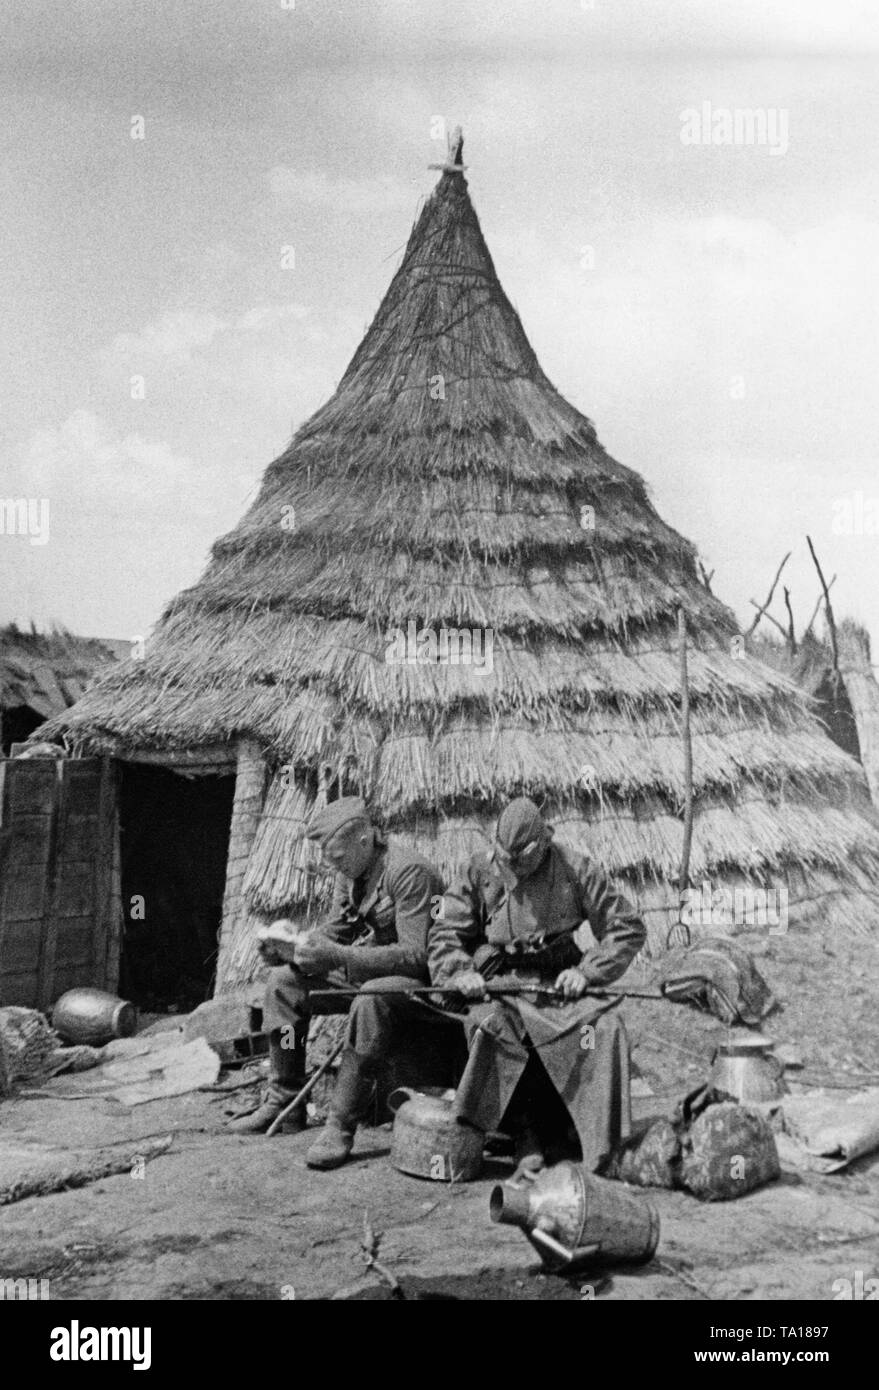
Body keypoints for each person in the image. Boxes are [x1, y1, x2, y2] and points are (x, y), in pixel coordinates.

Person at [429, 796, 646, 1174]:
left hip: (558, 982)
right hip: (501, 982)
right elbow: (444, 931)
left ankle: (595, 1143)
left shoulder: (576, 869)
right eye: (504, 858)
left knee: (601, 1029)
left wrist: (589, 972)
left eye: (520, 860)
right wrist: (461, 971)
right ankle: (521, 1134)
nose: (510, 868)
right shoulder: (480, 870)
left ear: (542, 844)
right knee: (490, 1027)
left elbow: (626, 928)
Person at [229, 796, 446, 1170]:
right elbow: (337, 931)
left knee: (370, 998)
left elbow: (417, 957)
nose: (335, 866)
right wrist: (291, 949)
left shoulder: (410, 873)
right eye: (330, 860)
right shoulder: (351, 873)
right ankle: (284, 1098)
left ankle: (339, 1125)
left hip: (418, 987)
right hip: (367, 973)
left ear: (364, 840)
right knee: (284, 984)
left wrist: (338, 957)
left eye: (339, 857)